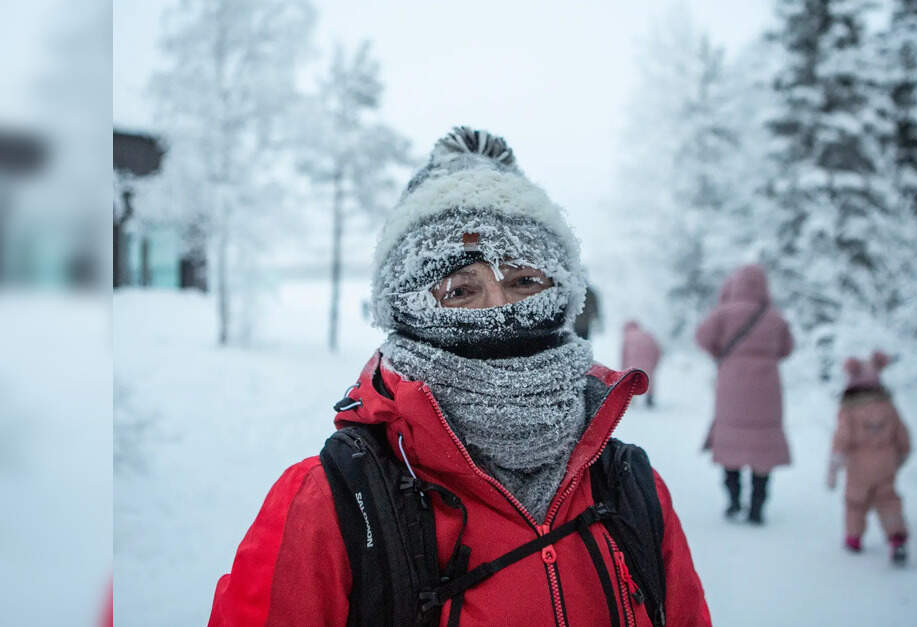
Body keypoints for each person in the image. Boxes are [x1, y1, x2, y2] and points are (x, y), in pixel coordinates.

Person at [208, 127, 710, 626]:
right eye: (460, 291)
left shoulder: (629, 487)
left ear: (563, 297)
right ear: (405, 310)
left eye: (524, 282)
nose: (499, 311)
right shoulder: (332, 505)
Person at [695, 264, 794, 525]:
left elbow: (701, 337)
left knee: (731, 442)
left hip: (731, 385)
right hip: (767, 389)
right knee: (763, 448)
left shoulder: (724, 313)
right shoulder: (774, 317)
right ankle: (757, 507)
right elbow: (788, 348)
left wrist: (721, 351)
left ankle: (734, 501)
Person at [826, 351, 912, 565]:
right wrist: (901, 456)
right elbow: (903, 435)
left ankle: (854, 539)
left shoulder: (849, 410)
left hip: (857, 466)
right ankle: (897, 537)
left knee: (855, 503)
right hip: (886, 463)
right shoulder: (888, 406)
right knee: (888, 500)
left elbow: (842, 438)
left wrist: (834, 466)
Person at [621, 320, 662, 408]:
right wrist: (655, 362)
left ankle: (630, 398)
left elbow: (624, 354)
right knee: (649, 377)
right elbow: (657, 349)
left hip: (633, 360)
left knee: (632, 378)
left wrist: (623, 368)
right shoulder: (648, 335)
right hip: (648, 359)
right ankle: (649, 398)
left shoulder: (628, 337)